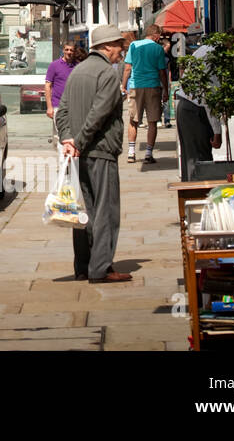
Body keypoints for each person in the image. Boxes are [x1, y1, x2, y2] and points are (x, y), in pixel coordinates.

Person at [56, 24, 131, 283]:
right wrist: (80, 140)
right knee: (105, 211)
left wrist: (68, 139)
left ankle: (82, 267)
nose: (122, 49)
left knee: (83, 211)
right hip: (100, 151)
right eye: (119, 44)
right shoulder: (108, 74)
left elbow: (62, 110)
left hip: (79, 154)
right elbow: (98, 114)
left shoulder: (77, 72)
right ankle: (101, 269)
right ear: (107, 47)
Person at [174, 27, 234, 180]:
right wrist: (217, 132)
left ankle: (192, 193)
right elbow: (209, 98)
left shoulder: (206, 48)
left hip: (187, 106)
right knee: (199, 160)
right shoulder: (213, 56)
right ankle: (197, 194)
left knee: (191, 157)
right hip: (194, 110)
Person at [122, 23, 169, 163]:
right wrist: (166, 90)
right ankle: (148, 153)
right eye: (159, 36)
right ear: (155, 35)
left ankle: (131, 153)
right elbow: (162, 72)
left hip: (136, 86)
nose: (159, 39)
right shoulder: (158, 49)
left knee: (133, 120)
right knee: (152, 121)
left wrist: (124, 86)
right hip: (153, 86)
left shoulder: (133, 46)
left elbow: (127, 68)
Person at [45, 42, 78, 144]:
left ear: (74, 52)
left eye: (71, 50)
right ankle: (62, 160)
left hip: (74, 107)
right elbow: (47, 86)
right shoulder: (54, 65)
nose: (69, 52)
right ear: (63, 50)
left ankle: (72, 159)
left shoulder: (78, 66)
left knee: (75, 136)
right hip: (58, 106)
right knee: (62, 136)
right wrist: (49, 107)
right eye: (67, 50)